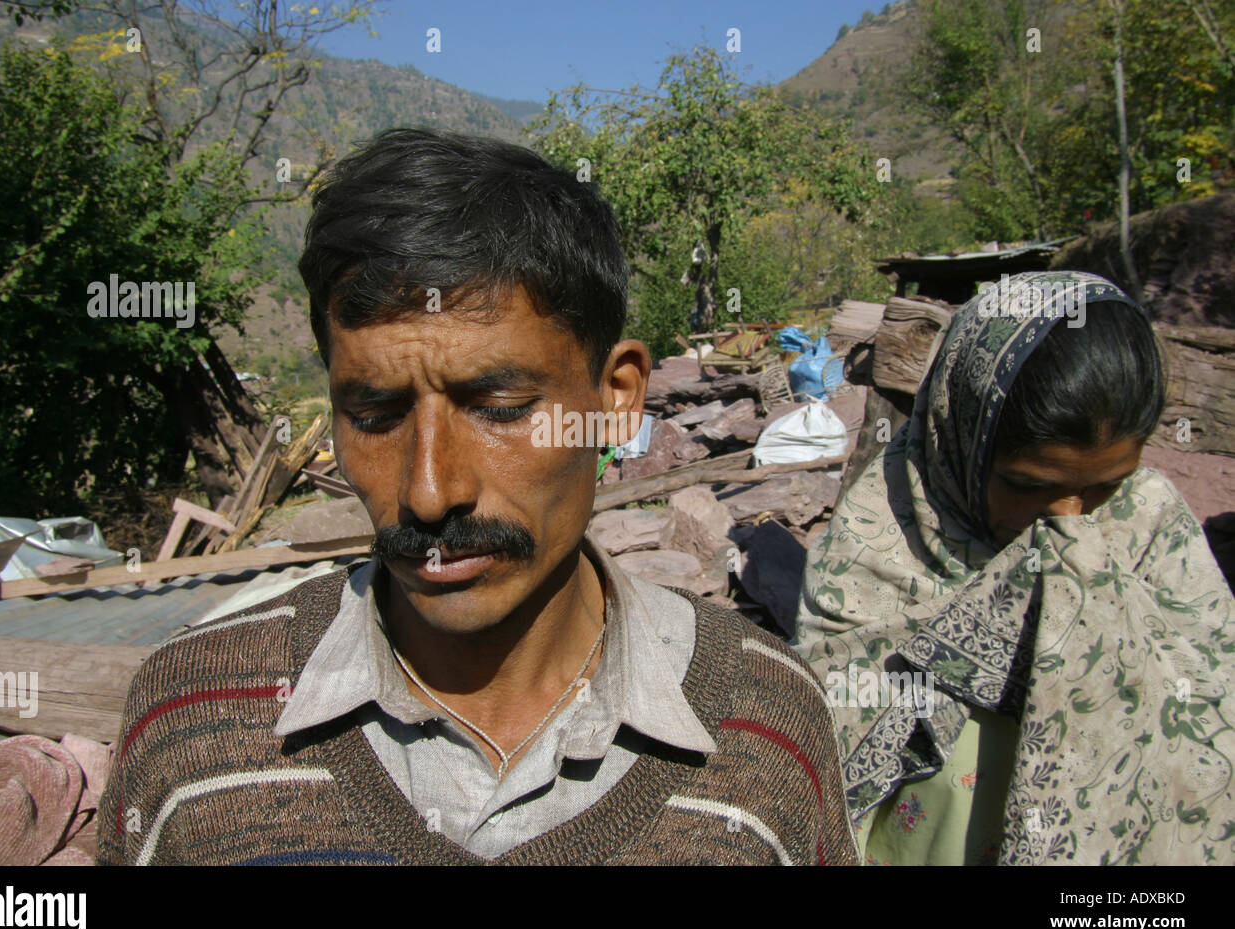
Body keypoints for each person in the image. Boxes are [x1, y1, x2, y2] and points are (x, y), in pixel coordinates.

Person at [96, 128, 856, 866]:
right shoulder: (188, 720)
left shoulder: (769, 724)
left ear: (617, 398)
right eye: (374, 416)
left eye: (499, 408)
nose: (429, 494)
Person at [794, 270, 1235, 865]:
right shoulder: (878, 537)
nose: (1069, 518)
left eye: (1107, 486)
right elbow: (822, 740)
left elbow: (1212, 707)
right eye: (1030, 485)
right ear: (961, 442)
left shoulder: (1151, 525)